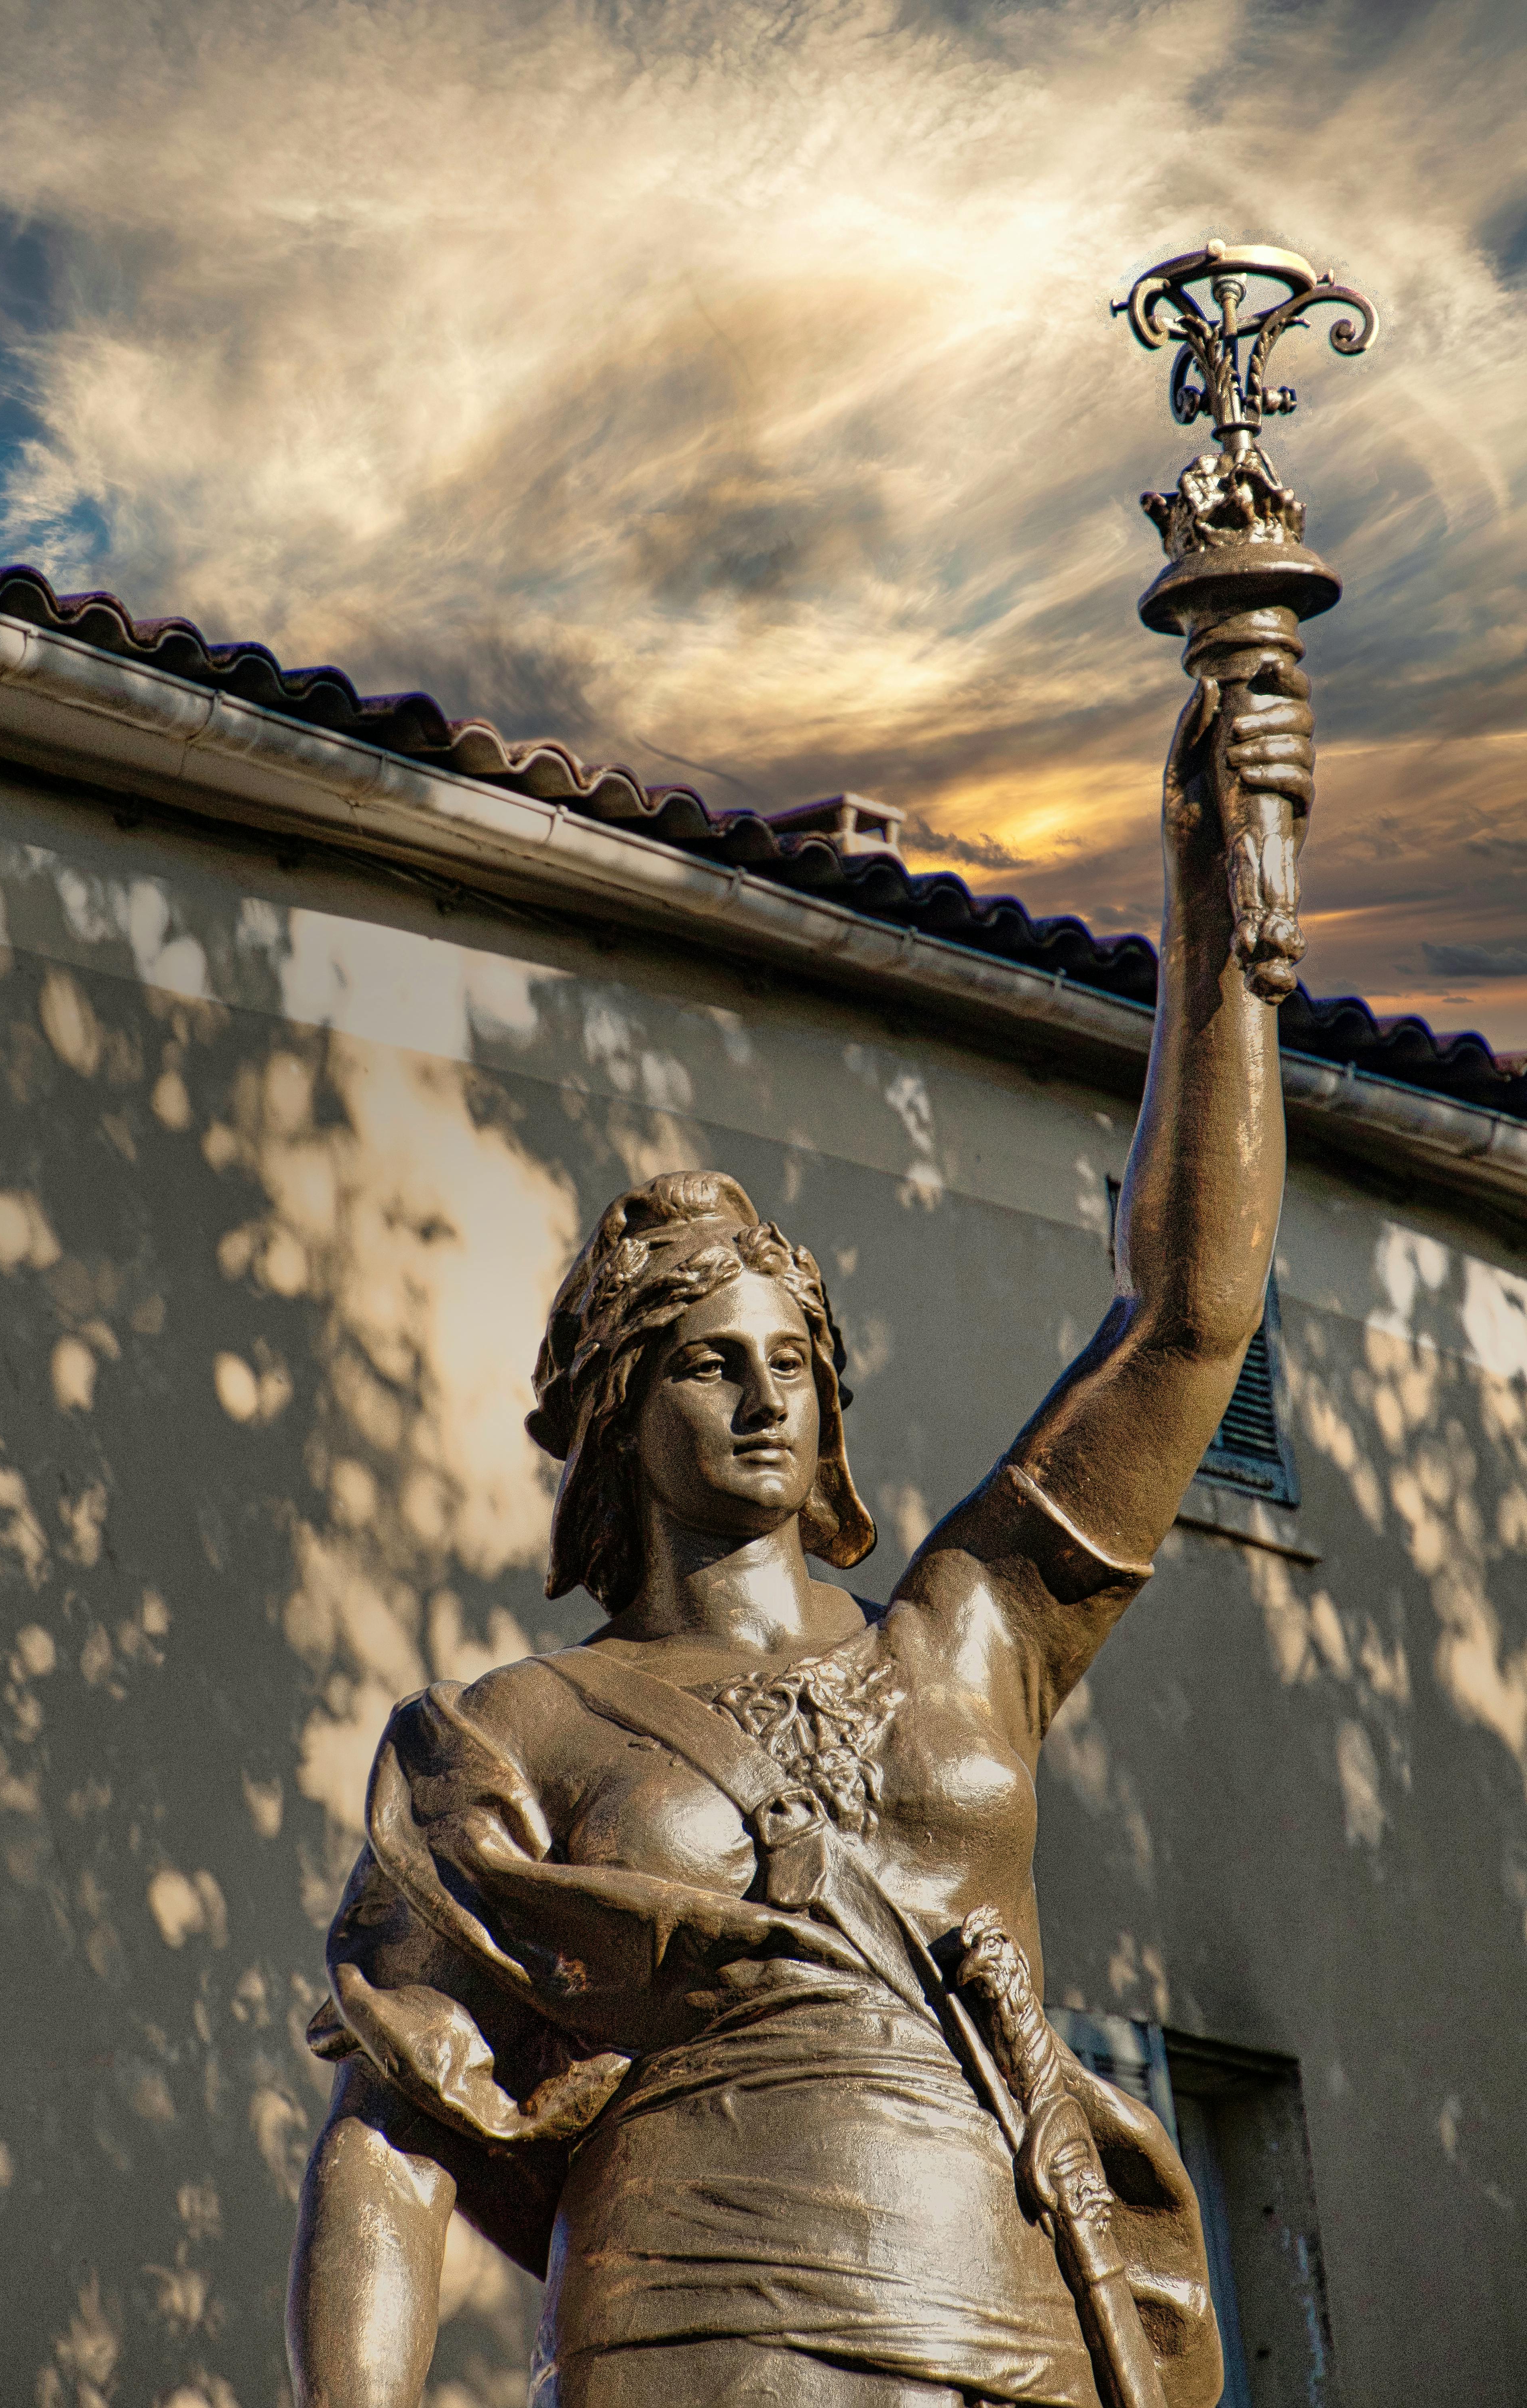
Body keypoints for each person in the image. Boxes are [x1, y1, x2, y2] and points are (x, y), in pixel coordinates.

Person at [286, 661, 1315, 2408]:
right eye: (708, 1364)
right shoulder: (505, 1735)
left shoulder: (969, 1633)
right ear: (622, 1409)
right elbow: (392, 2142)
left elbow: (1192, 1321)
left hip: (1011, 2328)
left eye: (793, 1364)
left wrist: (1210, 906)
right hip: (691, 2335)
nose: (766, 1401)